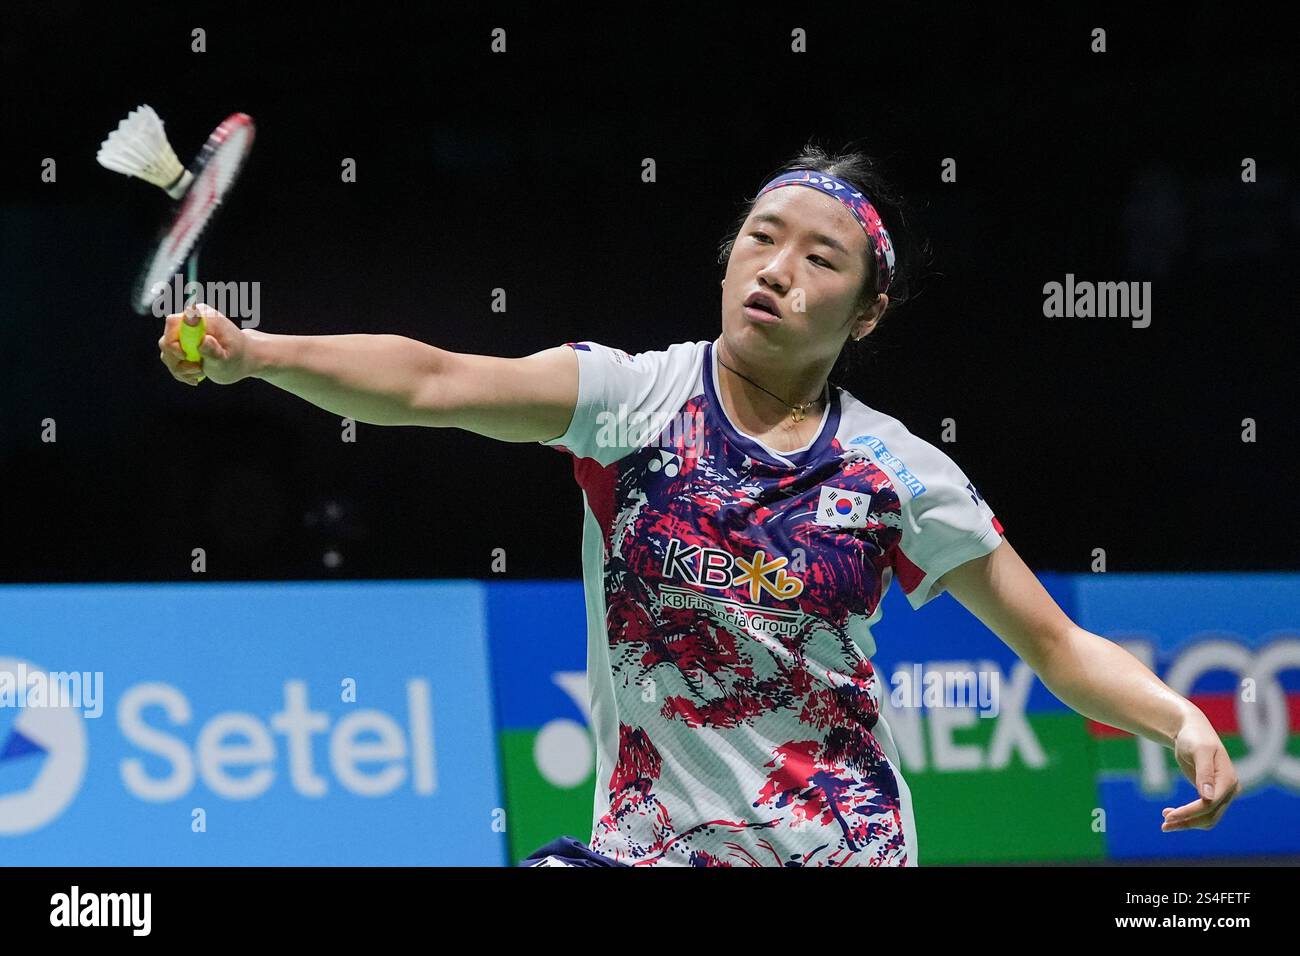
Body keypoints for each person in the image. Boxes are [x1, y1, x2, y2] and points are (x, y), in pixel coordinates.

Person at [158, 143, 1240, 867]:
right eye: (762, 236)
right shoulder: (632, 400)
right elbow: (432, 379)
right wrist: (259, 354)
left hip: (836, 850)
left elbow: (1050, 640)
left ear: (866, 315)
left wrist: (1179, 716)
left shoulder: (897, 473)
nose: (776, 268)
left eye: (821, 259)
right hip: (647, 851)